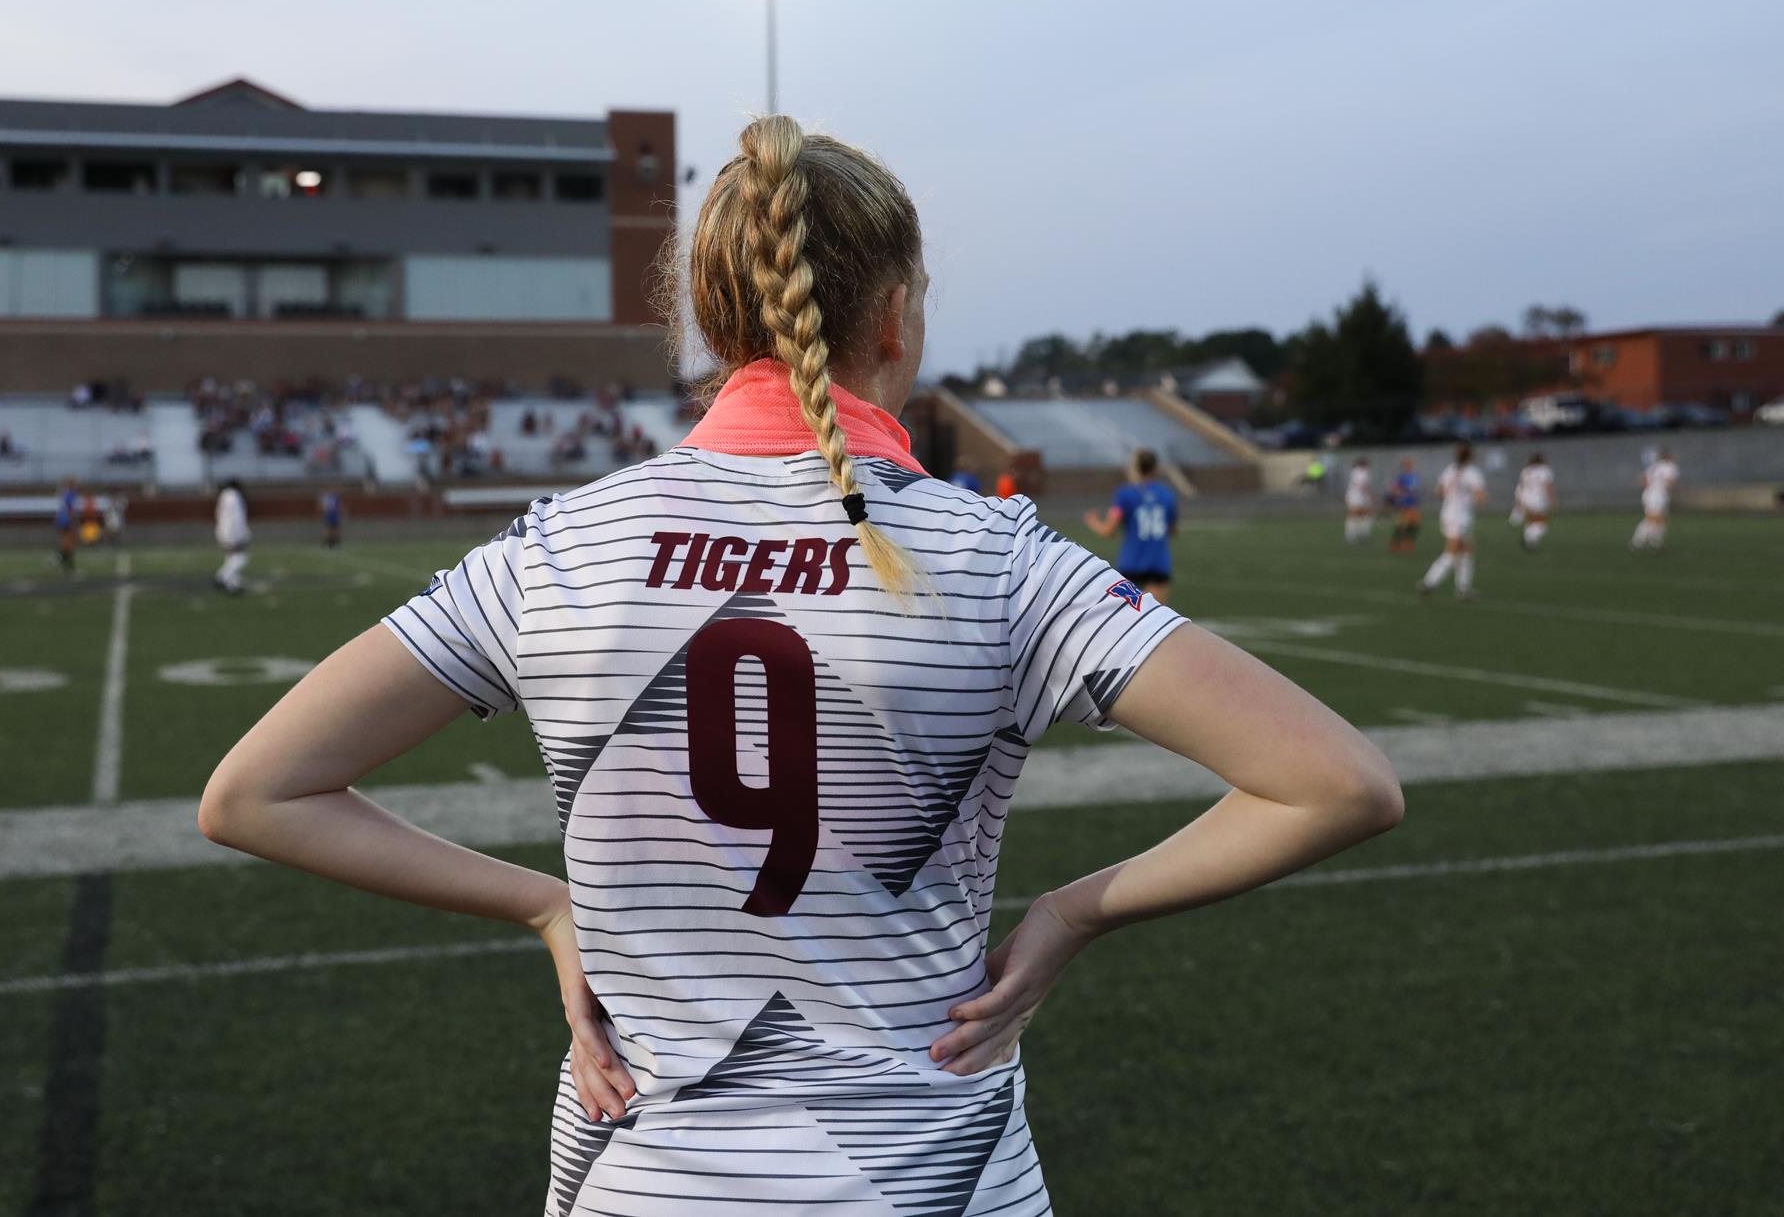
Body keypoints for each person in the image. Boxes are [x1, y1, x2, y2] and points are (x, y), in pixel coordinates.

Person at [197, 115, 1403, 1216]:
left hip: (641, 1175)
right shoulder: (992, 554)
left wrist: (542, 901)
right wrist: (1070, 911)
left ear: (713, 322)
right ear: (894, 316)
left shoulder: (557, 546)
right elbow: (1337, 781)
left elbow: (254, 793)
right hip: (935, 1170)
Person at [1084, 447, 1179, 603]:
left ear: (1135, 468)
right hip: (1159, 562)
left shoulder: (1125, 494)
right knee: (1158, 621)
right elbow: (1173, 529)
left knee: (1130, 621)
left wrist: (1092, 521)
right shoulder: (1167, 494)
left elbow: (1108, 531)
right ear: (1155, 468)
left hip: (1132, 562)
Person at [1419, 442, 1485, 600]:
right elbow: (1480, 495)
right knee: (1452, 551)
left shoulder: (1450, 469)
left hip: (1449, 513)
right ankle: (1429, 582)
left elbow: (1439, 491)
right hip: (1460, 516)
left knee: (1466, 550)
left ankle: (1463, 588)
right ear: (1471, 455)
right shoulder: (1472, 472)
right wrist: (1479, 497)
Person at [1631, 448, 1678, 552]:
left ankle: (1655, 543)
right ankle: (1637, 543)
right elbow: (1671, 482)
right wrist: (1661, 484)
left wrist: (1651, 485)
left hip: (1650, 494)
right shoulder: (1670, 467)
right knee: (1652, 519)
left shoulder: (1654, 466)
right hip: (1657, 495)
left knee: (1659, 520)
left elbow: (1642, 480)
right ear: (1668, 456)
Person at [1512, 453, 1555, 552]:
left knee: (1532, 521)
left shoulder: (1526, 470)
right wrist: (1552, 498)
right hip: (1538, 499)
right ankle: (1529, 537)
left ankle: (1531, 540)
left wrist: (1520, 500)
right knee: (1542, 523)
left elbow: (1522, 486)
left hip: (1526, 498)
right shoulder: (1544, 470)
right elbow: (1547, 486)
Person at [214, 478, 250, 594]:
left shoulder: (224, 496)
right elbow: (237, 518)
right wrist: (243, 533)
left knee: (231, 558)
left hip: (223, 531)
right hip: (233, 532)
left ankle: (233, 585)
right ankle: (222, 577)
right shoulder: (234, 496)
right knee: (241, 558)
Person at [1384, 457, 1422, 553]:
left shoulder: (1416, 476)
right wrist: (1401, 494)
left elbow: (1415, 490)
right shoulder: (1402, 477)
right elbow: (1394, 488)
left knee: (1413, 524)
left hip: (1413, 503)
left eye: (1411, 464)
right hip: (1405, 503)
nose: (1411, 466)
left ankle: (1402, 542)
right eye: (1408, 465)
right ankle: (1399, 543)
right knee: (1407, 523)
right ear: (1405, 466)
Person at [1343, 457, 1374, 544]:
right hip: (1355, 497)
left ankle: (1361, 534)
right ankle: (1351, 536)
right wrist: (1371, 495)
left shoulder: (1360, 471)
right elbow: (1362, 485)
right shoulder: (1359, 472)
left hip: (1360, 497)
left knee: (1364, 515)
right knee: (1354, 515)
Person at [54, 476, 82, 574]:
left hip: (62, 520)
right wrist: (74, 521)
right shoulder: (71, 494)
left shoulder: (65, 494)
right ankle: (67, 565)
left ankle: (60, 561)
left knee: (66, 543)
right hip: (66, 520)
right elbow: (71, 510)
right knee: (69, 543)